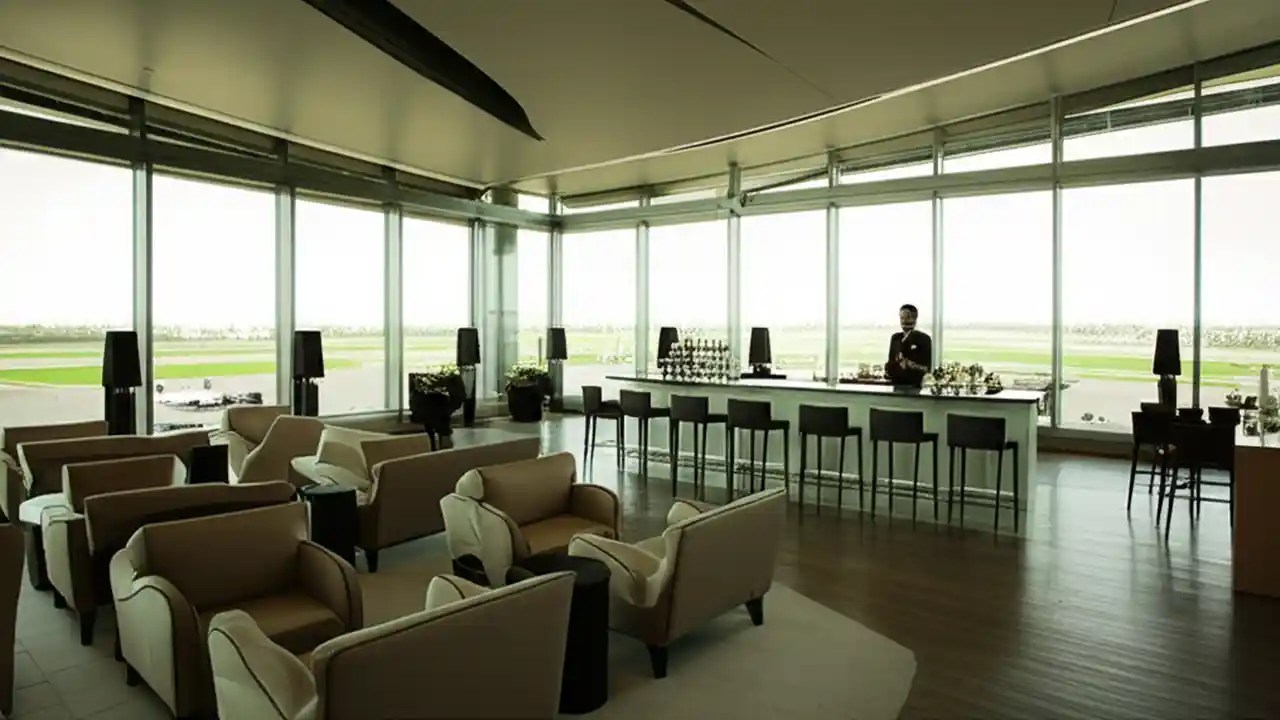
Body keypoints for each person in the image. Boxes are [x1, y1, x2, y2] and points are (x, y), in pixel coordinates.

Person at [886, 304, 932, 388]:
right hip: (896, 386)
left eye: (907, 318)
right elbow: (889, 364)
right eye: (902, 318)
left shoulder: (924, 339)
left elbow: (927, 368)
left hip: (915, 387)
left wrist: (911, 365)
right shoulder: (895, 338)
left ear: (915, 319)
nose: (904, 321)